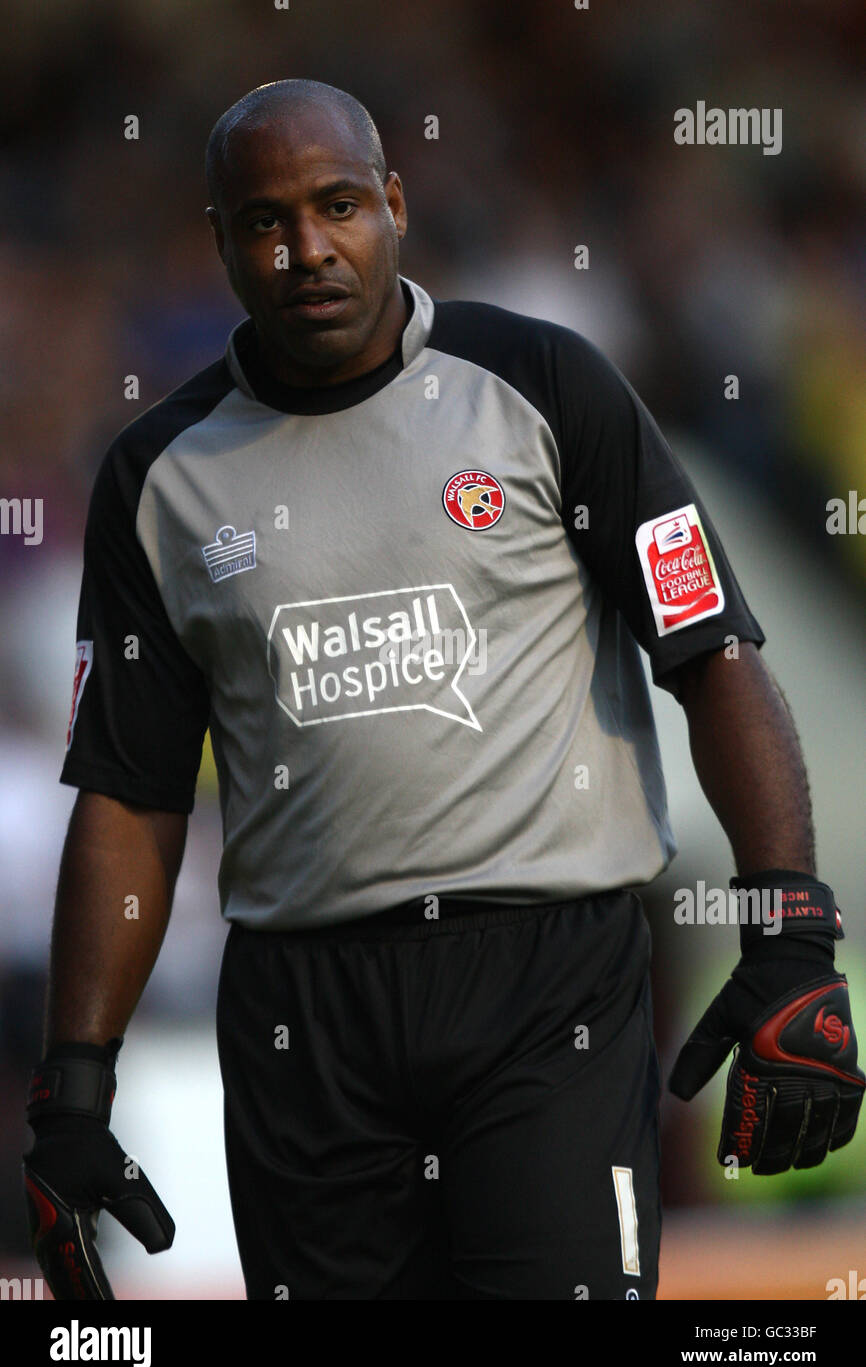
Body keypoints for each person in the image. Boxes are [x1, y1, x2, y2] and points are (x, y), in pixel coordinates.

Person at [23, 79, 863, 1302]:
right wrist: (73, 1086)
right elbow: (128, 799)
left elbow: (712, 654)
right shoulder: (158, 477)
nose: (306, 247)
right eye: (263, 220)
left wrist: (788, 929)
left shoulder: (546, 383)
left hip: (545, 986)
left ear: (396, 206)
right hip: (301, 1022)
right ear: (217, 240)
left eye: (338, 205)